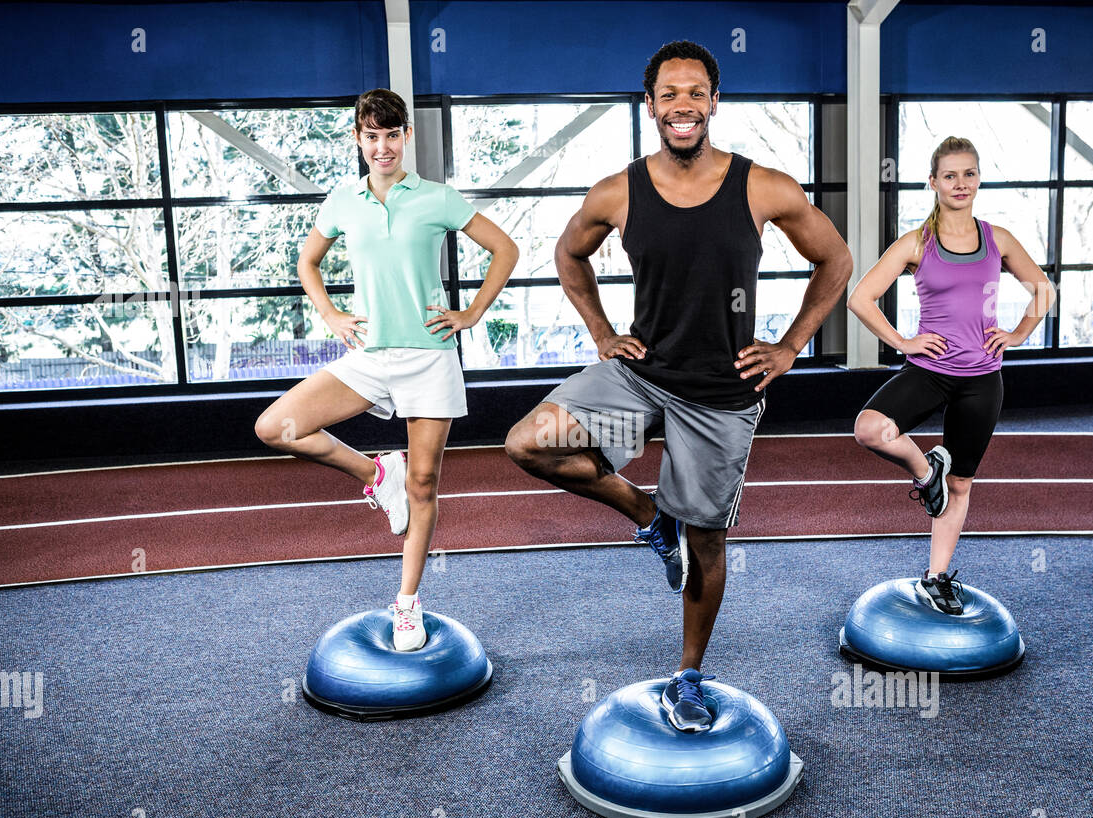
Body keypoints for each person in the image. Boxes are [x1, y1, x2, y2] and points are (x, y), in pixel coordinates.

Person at [505, 41, 851, 731]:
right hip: (641, 375)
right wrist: (603, 332)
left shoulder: (763, 186)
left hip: (721, 396)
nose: (683, 105)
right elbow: (569, 254)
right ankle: (645, 515)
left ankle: (689, 674)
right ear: (651, 106)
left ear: (714, 103)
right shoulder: (617, 191)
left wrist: (789, 346)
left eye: (696, 92)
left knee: (708, 544)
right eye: (670, 94)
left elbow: (835, 259)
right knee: (527, 444)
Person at [255, 89, 517, 649]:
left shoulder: (438, 198)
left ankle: (407, 605)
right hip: (369, 357)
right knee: (275, 427)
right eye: (371, 136)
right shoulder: (342, 201)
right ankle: (376, 475)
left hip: (429, 357)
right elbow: (308, 261)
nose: (382, 146)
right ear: (357, 138)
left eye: (391, 135)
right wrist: (330, 314)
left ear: (406, 137)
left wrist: (470, 313)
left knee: (423, 484)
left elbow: (506, 249)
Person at [847, 136, 1053, 615]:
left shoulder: (997, 238)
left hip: (982, 378)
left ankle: (937, 576)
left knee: (961, 484)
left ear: (978, 179)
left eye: (969, 174)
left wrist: (1019, 333)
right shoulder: (916, 243)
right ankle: (925, 471)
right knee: (870, 429)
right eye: (950, 175)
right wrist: (902, 342)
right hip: (929, 370)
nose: (960, 183)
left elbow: (1042, 289)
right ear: (934, 182)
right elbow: (860, 297)